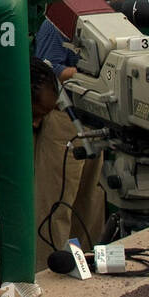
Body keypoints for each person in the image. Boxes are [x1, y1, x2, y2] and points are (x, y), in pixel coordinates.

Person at [30, 57, 105, 271]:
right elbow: (47, 69)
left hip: (95, 119)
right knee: (56, 205)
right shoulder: (55, 28)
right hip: (64, 117)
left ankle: (82, 266)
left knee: (88, 203)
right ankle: (47, 270)